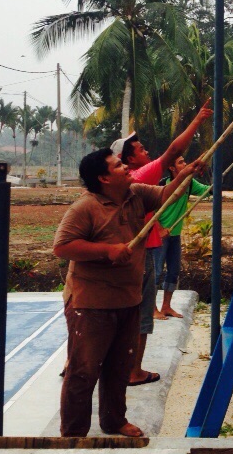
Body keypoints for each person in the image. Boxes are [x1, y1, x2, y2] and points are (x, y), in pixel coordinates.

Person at [53, 147, 204, 438]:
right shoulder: (85, 208)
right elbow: (62, 246)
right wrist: (107, 250)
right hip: (91, 304)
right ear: (104, 178)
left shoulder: (136, 194)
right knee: (84, 372)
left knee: (119, 366)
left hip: (128, 300)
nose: (125, 167)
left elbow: (166, 194)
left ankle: (114, 421)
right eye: (117, 165)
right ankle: (73, 434)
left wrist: (184, 174)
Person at [111, 101, 211, 386]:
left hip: (140, 249)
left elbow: (168, 190)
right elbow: (173, 152)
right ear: (129, 159)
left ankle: (120, 365)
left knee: (128, 310)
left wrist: (186, 172)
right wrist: (198, 119)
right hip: (143, 253)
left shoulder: (127, 184)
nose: (147, 152)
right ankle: (134, 371)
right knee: (141, 312)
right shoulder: (139, 177)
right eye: (141, 149)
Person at [153, 155, 210, 320]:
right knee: (156, 273)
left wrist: (206, 173)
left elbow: (210, 190)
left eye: (185, 161)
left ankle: (166, 306)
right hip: (160, 236)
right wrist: (159, 229)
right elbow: (149, 210)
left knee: (173, 272)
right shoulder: (162, 185)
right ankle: (152, 308)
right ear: (172, 168)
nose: (185, 164)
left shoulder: (190, 183)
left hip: (175, 235)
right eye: (180, 162)